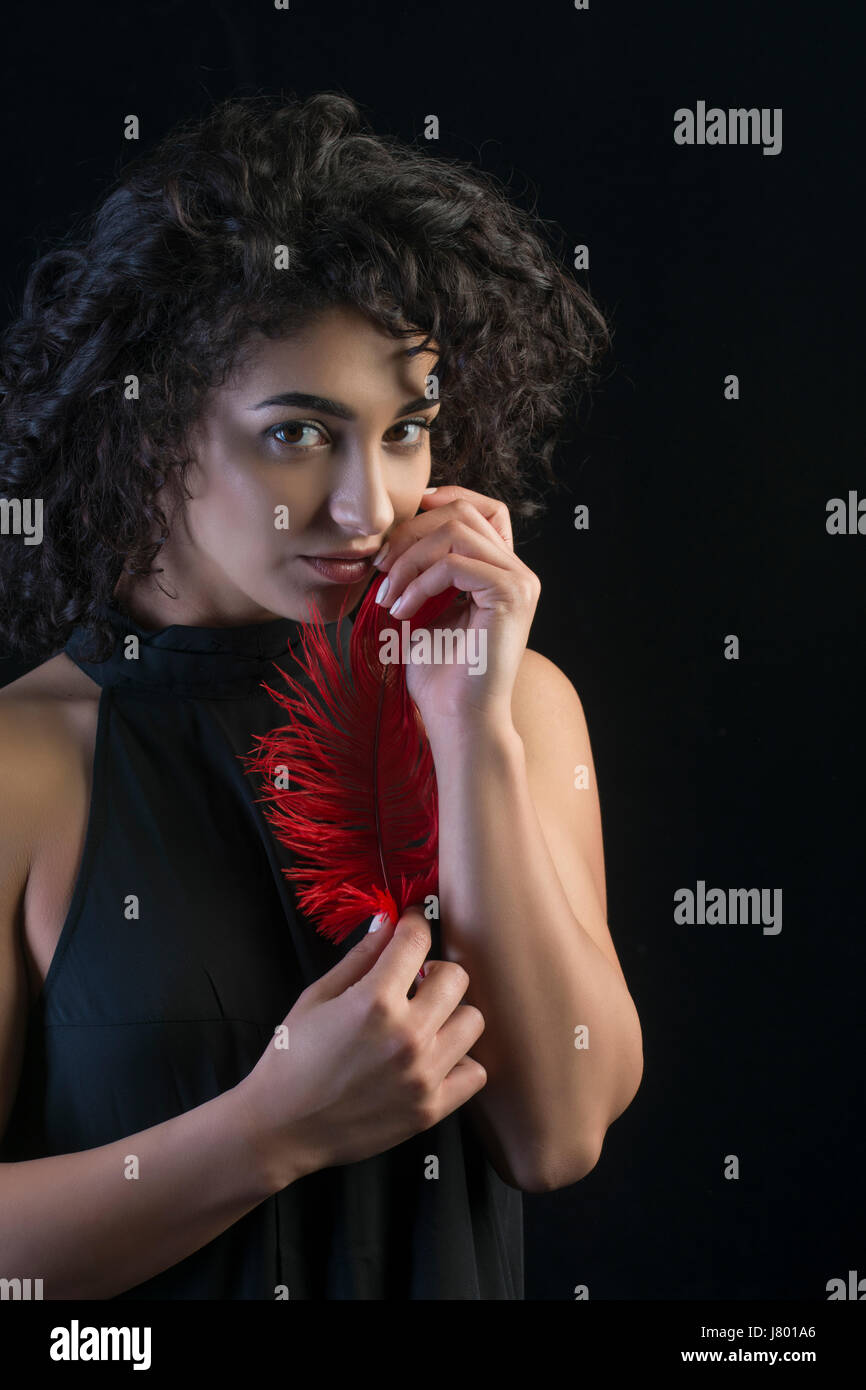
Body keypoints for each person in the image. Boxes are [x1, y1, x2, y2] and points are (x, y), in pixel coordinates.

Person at [0, 91, 643, 1299]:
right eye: (298, 434)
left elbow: (556, 1135)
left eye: (407, 431)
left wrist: (471, 737)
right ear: (147, 427)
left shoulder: (512, 698)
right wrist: (269, 1133)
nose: (371, 506)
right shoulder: (24, 762)